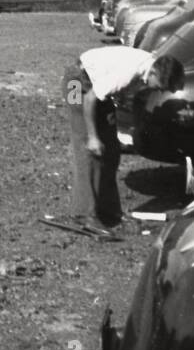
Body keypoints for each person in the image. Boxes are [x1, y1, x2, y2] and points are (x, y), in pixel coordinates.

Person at [62, 47, 185, 226]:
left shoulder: (151, 70)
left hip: (97, 88)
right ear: (153, 73)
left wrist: (135, 129)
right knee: (88, 150)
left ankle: (110, 210)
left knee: (111, 151)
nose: (157, 90)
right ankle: (83, 214)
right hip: (76, 82)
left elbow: (136, 101)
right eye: (158, 86)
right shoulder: (128, 73)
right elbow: (89, 99)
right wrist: (93, 137)